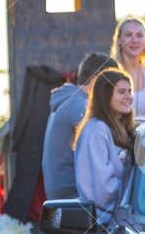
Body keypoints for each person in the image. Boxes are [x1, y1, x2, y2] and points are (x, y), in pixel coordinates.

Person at [43, 52, 116, 200]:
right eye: (111, 83)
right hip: (72, 195)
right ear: (96, 80)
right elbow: (104, 145)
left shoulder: (71, 99)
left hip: (61, 192)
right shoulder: (80, 106)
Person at [73, 67, 136, 223]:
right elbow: (103, 189)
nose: (128, 97)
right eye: (121, 92)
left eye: (130, 91)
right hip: (105, 223)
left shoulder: (122, 128)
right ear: (105, 96)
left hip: (123, 217)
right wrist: (135, 191)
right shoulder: (96, 130)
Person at [110, 17, 145, 119]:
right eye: (128, 35)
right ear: (119, 40)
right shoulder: (110, 75)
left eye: (139, 35)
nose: (134, 40)